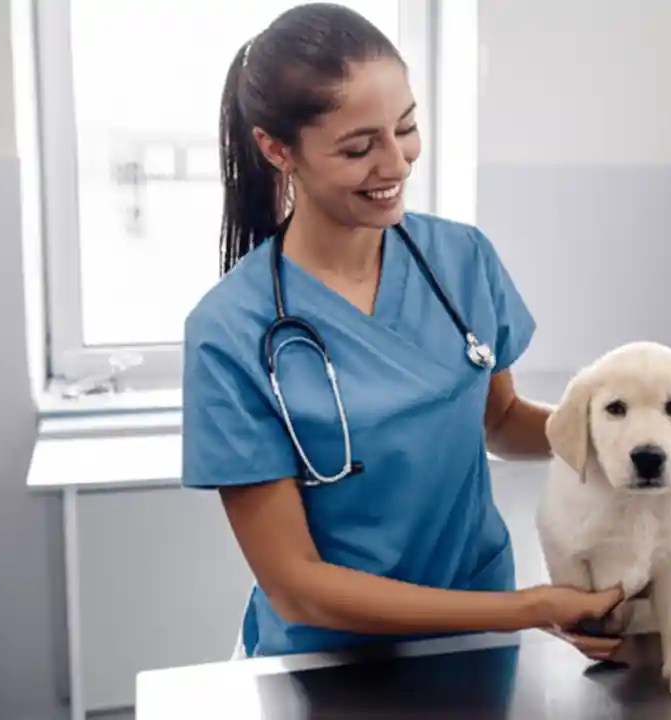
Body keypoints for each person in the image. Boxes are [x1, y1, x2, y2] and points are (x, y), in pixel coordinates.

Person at [181, 2, 623, 661]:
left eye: (407, 128)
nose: (396, 163)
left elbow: (500, 421)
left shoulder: (462, 260)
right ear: (277, 149)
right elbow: (298, 587)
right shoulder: (230, 331)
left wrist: (620, 437)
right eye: (358, 148)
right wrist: (526, 609)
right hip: (326, 664)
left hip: (474, 647)